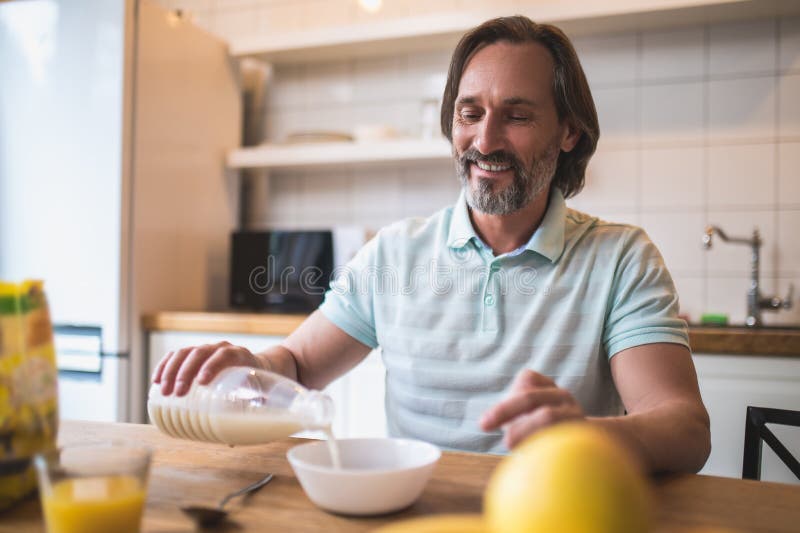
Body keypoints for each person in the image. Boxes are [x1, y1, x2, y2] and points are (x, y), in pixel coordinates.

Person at [153, 16, 710, 473]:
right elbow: (297, 363)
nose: (485, 140)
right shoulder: (394, 254)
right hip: (416, 512)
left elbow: (684, 427)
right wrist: (250, 363)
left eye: (516, 116)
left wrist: (586, 437)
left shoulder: (621, 259)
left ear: (568, 132)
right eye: (470, 114)